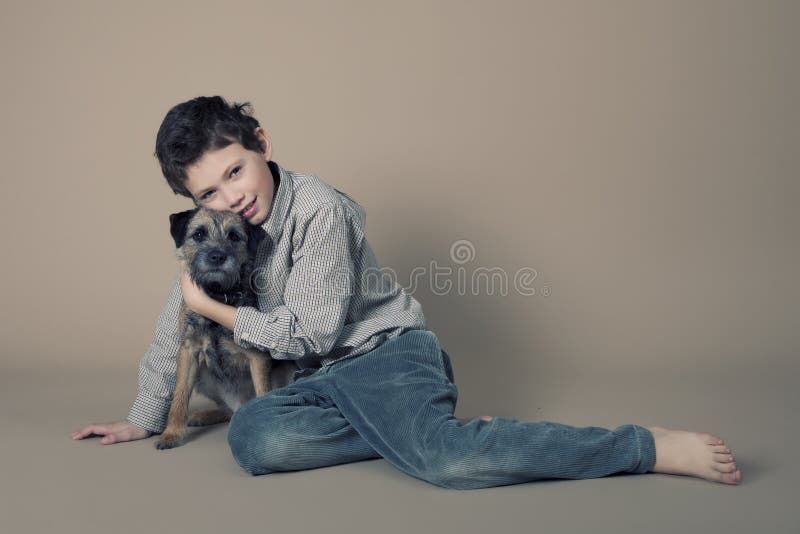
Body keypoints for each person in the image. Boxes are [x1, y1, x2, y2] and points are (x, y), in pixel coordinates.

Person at [71, 96, 742, 489]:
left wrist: (213, 307)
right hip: (320, 380)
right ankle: (415, 425)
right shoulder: (216, 236)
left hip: (383, 355)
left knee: (443, 463)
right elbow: (177, 325)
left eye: (235, 171)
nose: (230, 198)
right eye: (209, 193)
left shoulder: (319, 210)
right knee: (253, 438)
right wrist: (145, 415)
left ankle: (642, 447)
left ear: (262, 145)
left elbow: (313, 333)